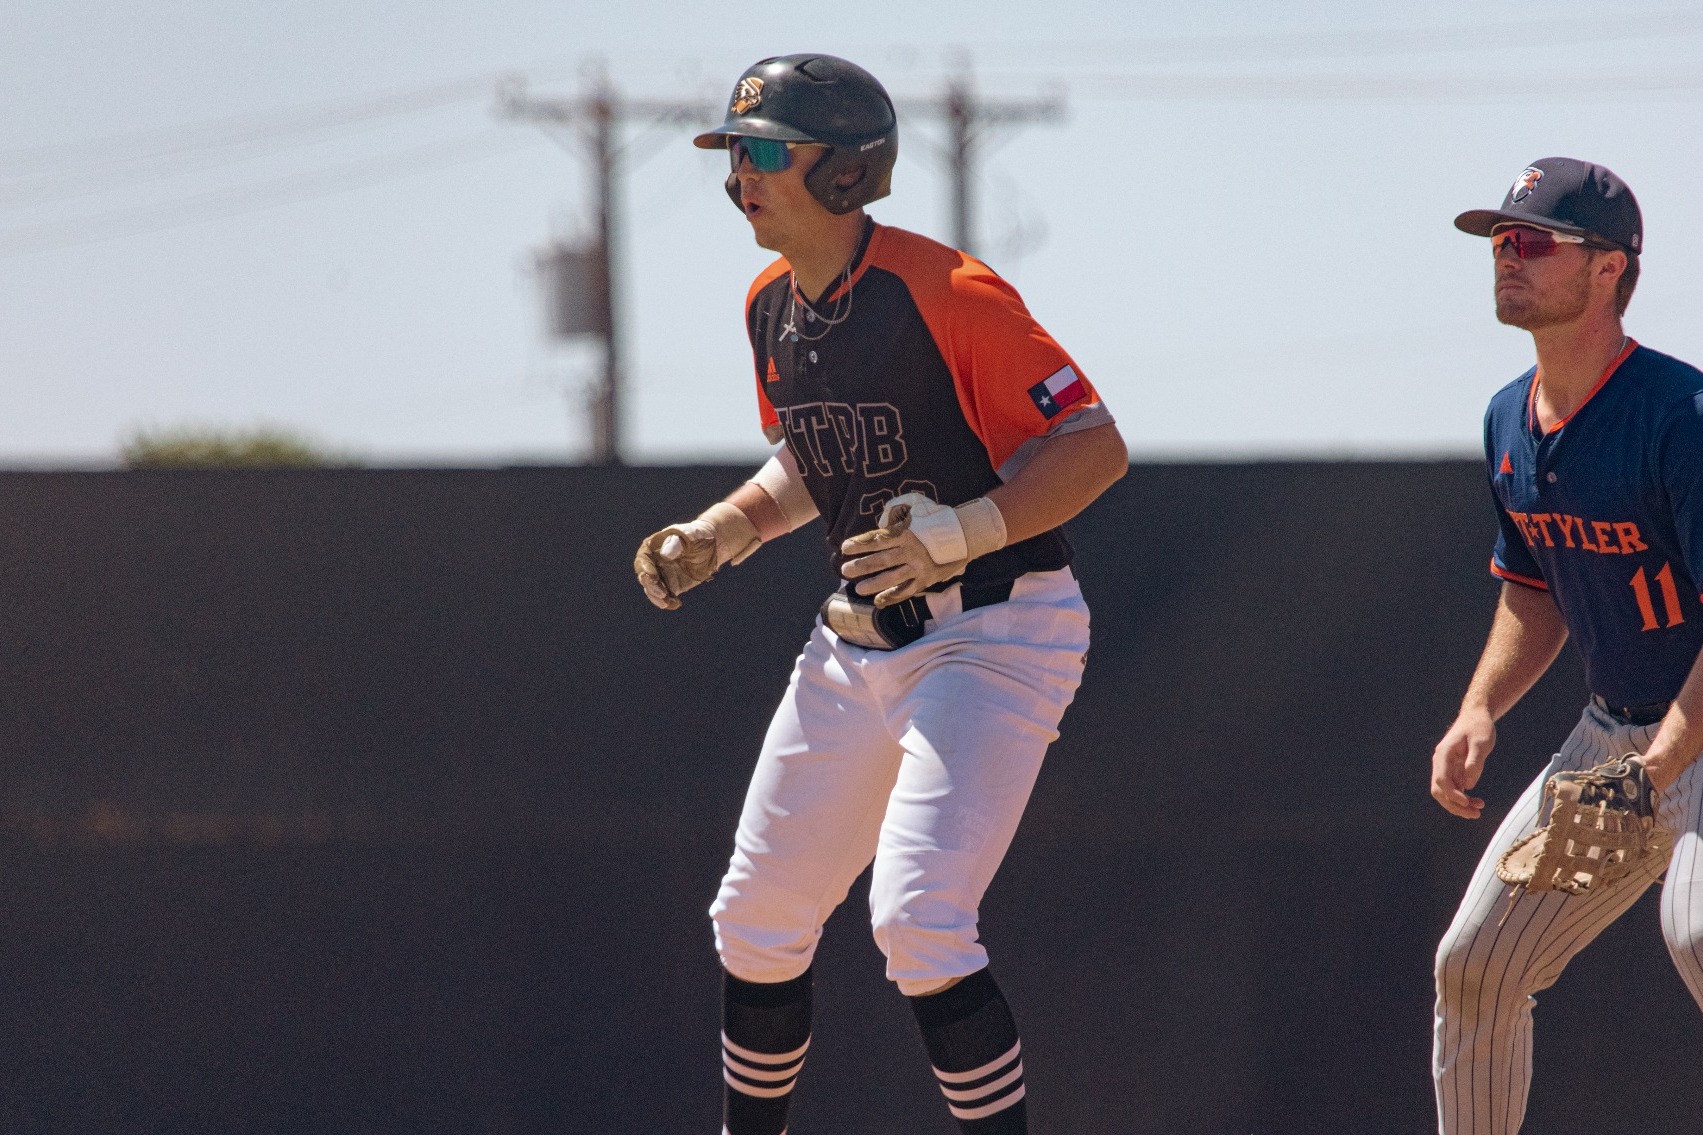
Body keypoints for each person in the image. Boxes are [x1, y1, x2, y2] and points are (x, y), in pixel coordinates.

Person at [632, 53, 1126, 1135]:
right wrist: (723, 530)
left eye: (764, 152)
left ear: (846, 173)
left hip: (994, 631)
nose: (738, 176)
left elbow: (1093, 447)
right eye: (732, 154)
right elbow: (811, 459)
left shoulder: (948, 292)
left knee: (918, 922)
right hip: (854, 644)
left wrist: (965, 527)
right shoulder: (772, 304)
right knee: (756, 919)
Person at [1430, 157, 1703, 1134]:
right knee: (1475, 967)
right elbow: (1533, 589)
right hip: (1614, 742)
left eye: (1532, 240)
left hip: (1693, 739)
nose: (1506, 256)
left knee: (1697, 927)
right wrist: (1477, 707)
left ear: (1607, 269)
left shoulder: (1679, 417)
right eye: (1499, 240)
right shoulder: (1508, 417)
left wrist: (1662, 763)